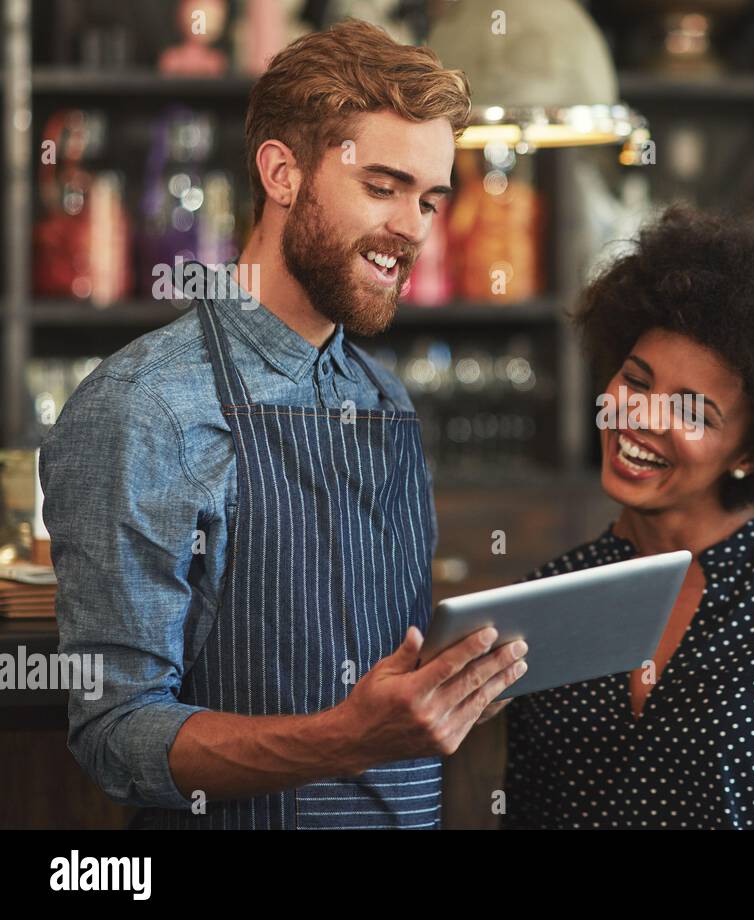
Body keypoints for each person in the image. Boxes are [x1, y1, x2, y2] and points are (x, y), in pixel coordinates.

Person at [39, 19, 526, 830]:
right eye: (382, 187)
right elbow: (115, 735)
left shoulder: (385, 403)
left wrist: (455, 687)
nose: (413, 228)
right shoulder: (145, 406)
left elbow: (387, 680)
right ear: (282, 173)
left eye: (428, 200)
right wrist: (344, 739)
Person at [502, 205, 754, 829]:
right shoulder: (547, 599)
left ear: (750, 453)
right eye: (636, 381)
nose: (640, 417)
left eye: (691, 412)